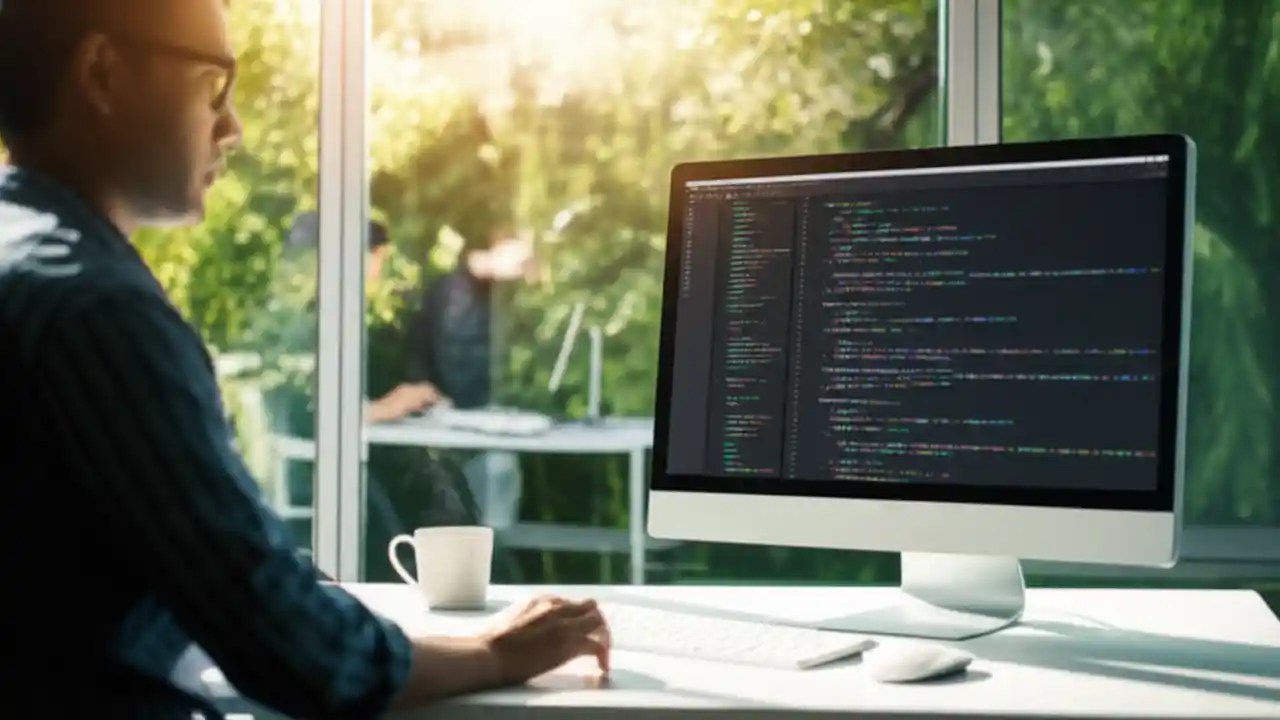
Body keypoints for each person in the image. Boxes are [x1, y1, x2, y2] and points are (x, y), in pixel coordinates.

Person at [0, 1, 608, 718]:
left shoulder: (25, 261)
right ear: (101, 72)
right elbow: (291, 650)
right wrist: (498, 651)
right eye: (212, 85)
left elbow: (180, 554)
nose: (234, 126)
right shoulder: (97, 311)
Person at [406, 223, 536, 528]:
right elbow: (456, 365)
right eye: (520, 257)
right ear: (498, 244)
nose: (524, 269)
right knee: (495, 482)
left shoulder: (478, 294)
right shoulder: (457, 295)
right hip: (456, 425)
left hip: (465, 422)